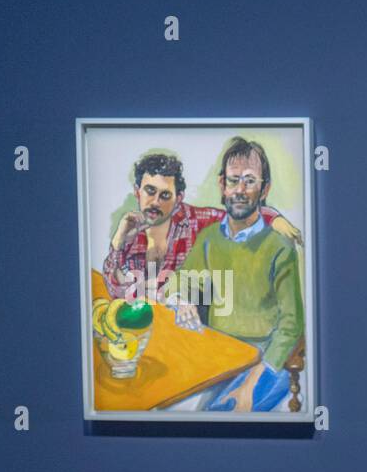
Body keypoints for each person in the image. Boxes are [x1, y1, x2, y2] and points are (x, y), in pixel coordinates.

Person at [166, 138, 305, 412]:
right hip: (219, 356)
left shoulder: (280, 248)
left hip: (265, 359)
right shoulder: (208, 239)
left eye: (250, 181)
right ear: (222, 185)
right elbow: (178, 282)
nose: (240, 190)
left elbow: (292, 324)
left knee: (217, 414)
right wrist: (182, 300)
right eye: (233, 181)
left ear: (264, 189)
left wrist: (257, 375)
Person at [103, 151, 301, 301]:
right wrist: (117, 241)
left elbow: (240, 214)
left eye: (165, 195)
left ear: (178, 198)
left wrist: (273, 218)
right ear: (138, 193)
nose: (155, 202)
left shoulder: (196, 221)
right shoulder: (129, 233)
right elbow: (116, 292)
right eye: (149, 191)